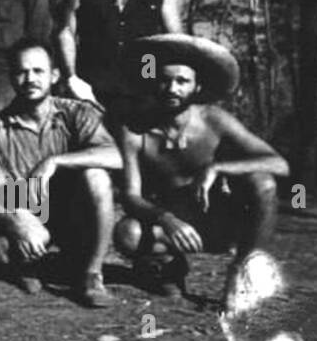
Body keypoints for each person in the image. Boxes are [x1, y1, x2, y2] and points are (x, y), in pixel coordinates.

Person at [114, 34, 288, 298]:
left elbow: (279, 164)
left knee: (263, 182)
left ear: (197, 88)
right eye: (165, 80)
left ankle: (243, 273)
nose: (172, 88)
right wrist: (167, 219)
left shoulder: (215, 120)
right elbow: (130, 195)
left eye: (182, 81)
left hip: (219, 220)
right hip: (172, 222)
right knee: (128, 233)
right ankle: (167, 268)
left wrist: (217, 168)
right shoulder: (135, 130)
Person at [0, 38, 122, 307]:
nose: (30, 79)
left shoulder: (77, 112)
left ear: (54, 75)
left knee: (97, 176)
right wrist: (14, 220)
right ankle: (27, 264)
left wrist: (55, 161)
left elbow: (116, 157)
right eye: (21, 72)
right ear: (11, 77)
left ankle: (92, 274)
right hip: (31, 218)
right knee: (5, 250)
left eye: (38, 71)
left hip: (74, 218)